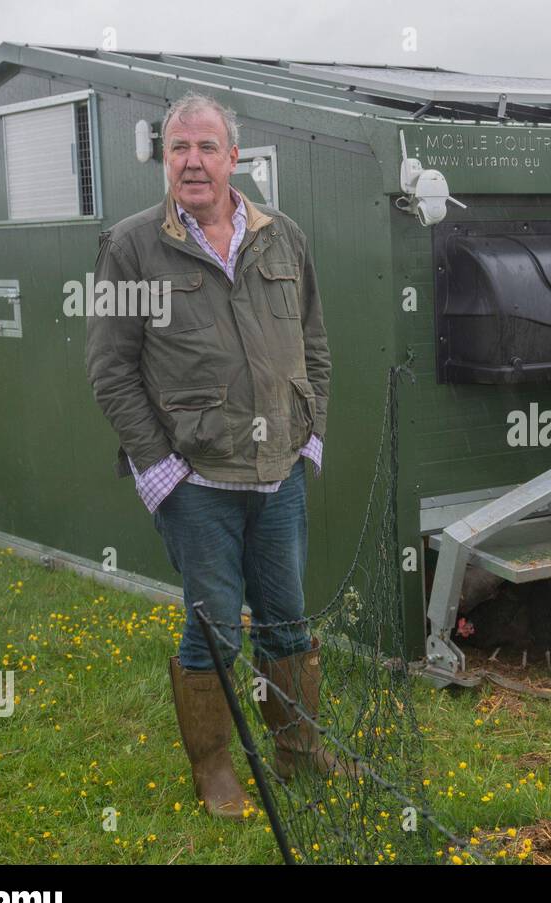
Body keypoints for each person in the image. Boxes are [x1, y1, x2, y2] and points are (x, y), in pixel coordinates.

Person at [85, 91, 350, 820]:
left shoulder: (282, 235)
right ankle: (213, 771)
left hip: (280, 473)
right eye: (179, 148)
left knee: (288, 620)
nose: (193, 161)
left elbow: (316, 345)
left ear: (235, 157)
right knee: (212, 624)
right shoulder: (132, 246)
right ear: (164, 160)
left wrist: (310, 433)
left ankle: (298, 748)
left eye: (206, 147)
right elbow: (110, 369)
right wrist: (161, 471)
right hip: (196, 478)